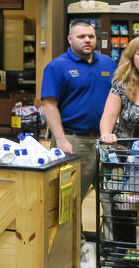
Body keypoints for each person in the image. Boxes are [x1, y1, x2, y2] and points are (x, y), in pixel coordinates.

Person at [41, 18, 116, 214]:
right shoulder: (57, 66)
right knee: (70, 198)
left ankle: (110, 244)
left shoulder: (108, 64)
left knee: (112, 197)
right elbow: (49, 105)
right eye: (81, 36)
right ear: (70, 39)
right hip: (73, 140)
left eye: (91, 36)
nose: (87, 40)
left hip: (106, 142)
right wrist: (61, 139)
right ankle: (75, 243)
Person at [98, 38, 139, 268]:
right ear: (132, 57)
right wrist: (106, 134)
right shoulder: (122, 84)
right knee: (124, 204)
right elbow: (108, 115)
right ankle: (124, 255)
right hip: (126, 157)